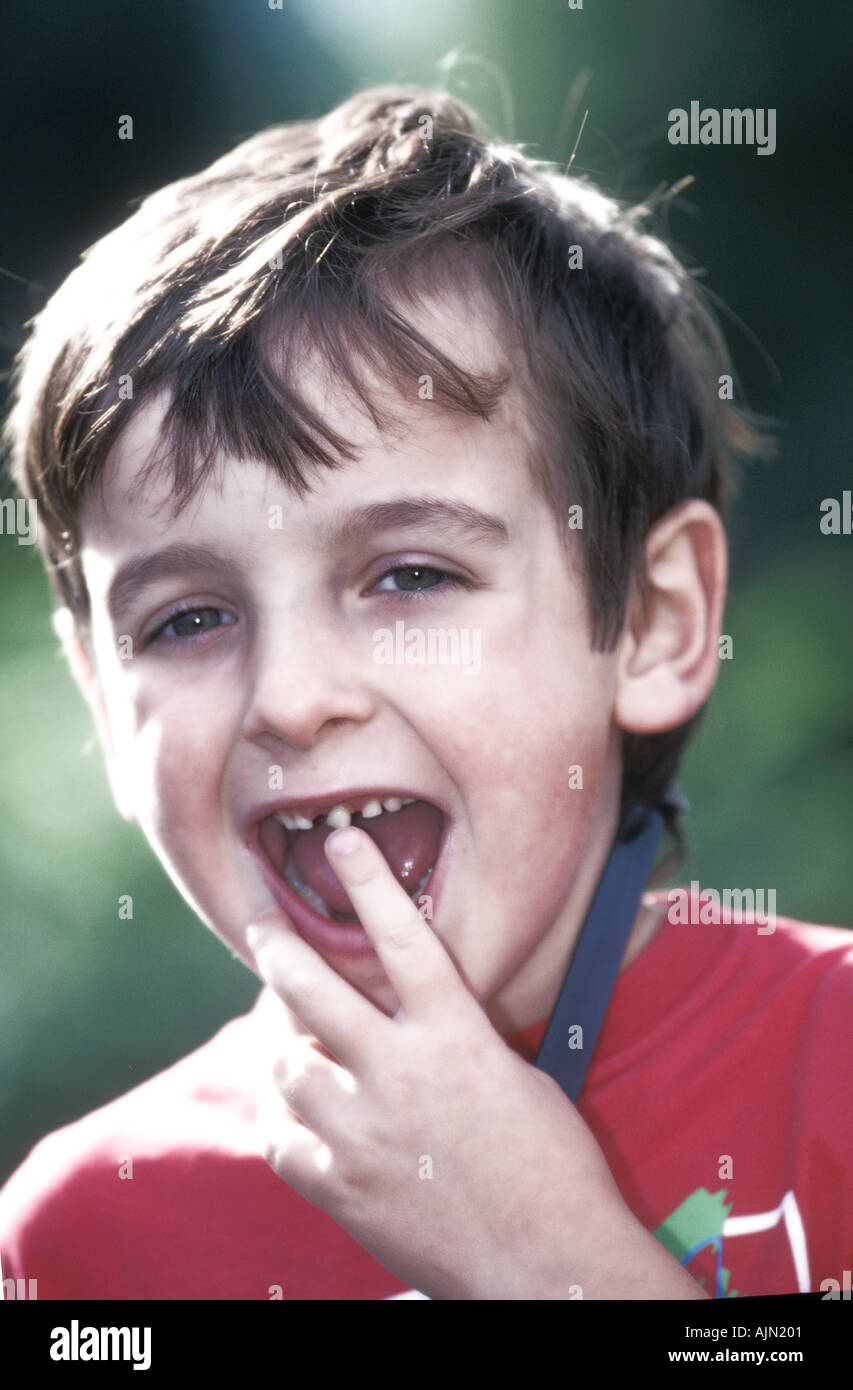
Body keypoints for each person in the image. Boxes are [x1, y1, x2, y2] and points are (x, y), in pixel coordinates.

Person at [1, 85, 850, 1300]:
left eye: (409, 575)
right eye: (186, 618)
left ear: (656, 623)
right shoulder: (81, 1242)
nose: (290, 699)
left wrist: (545, 1261)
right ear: (99, 695)